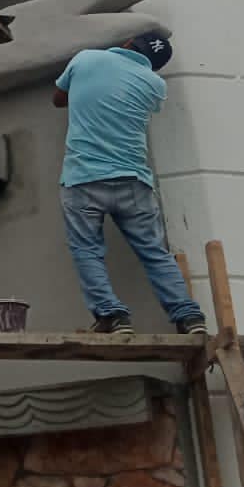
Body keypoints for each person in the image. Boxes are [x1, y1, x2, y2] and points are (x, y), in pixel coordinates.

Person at [52, 31, 207, 335]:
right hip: (134, 181)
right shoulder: (154, 84)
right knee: (154, 252)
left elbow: (58, 98)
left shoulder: (86, 58)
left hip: (84, 178)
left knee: (87, 249)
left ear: (127, 44)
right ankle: (189, 318)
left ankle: (112, 316)